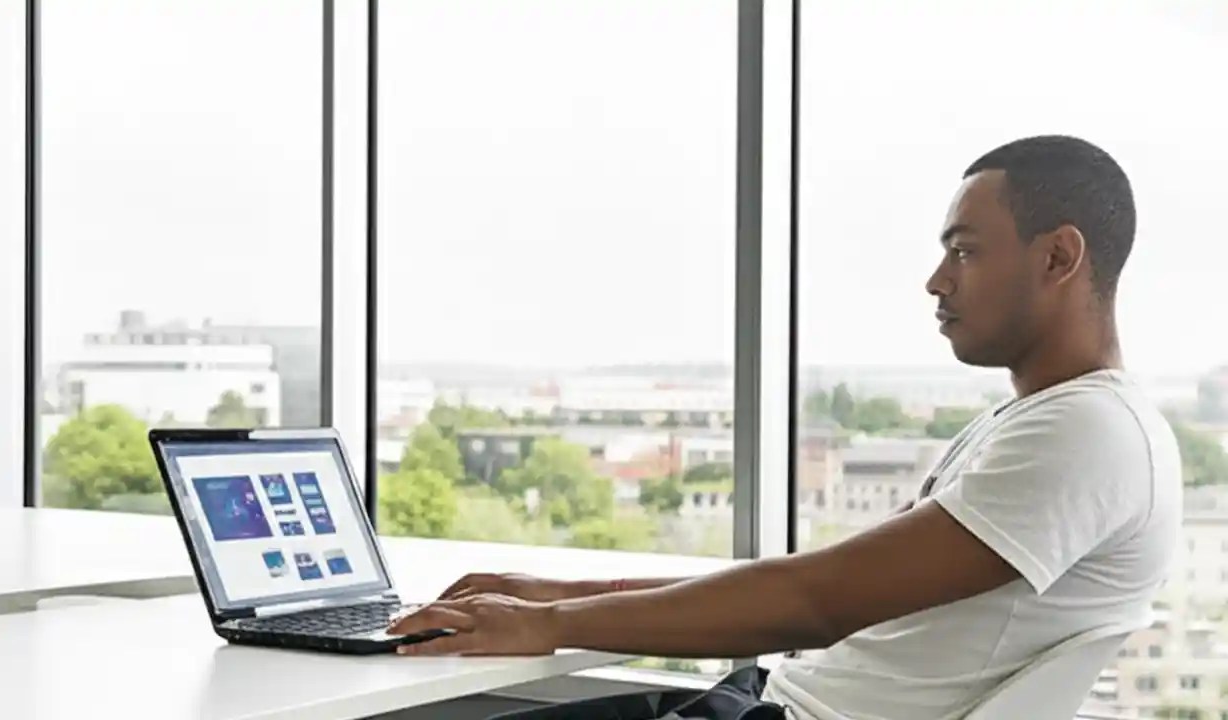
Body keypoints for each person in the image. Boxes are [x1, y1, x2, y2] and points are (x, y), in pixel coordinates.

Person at [388, 135, 1183, 720]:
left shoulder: (1089, 434)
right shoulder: (1046, 419)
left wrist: (548, 624)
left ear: (1058, 259)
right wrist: (553, 596)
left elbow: (819, 600)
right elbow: (829, 578)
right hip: (771, 700)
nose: (936, 280)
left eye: (965, 253)